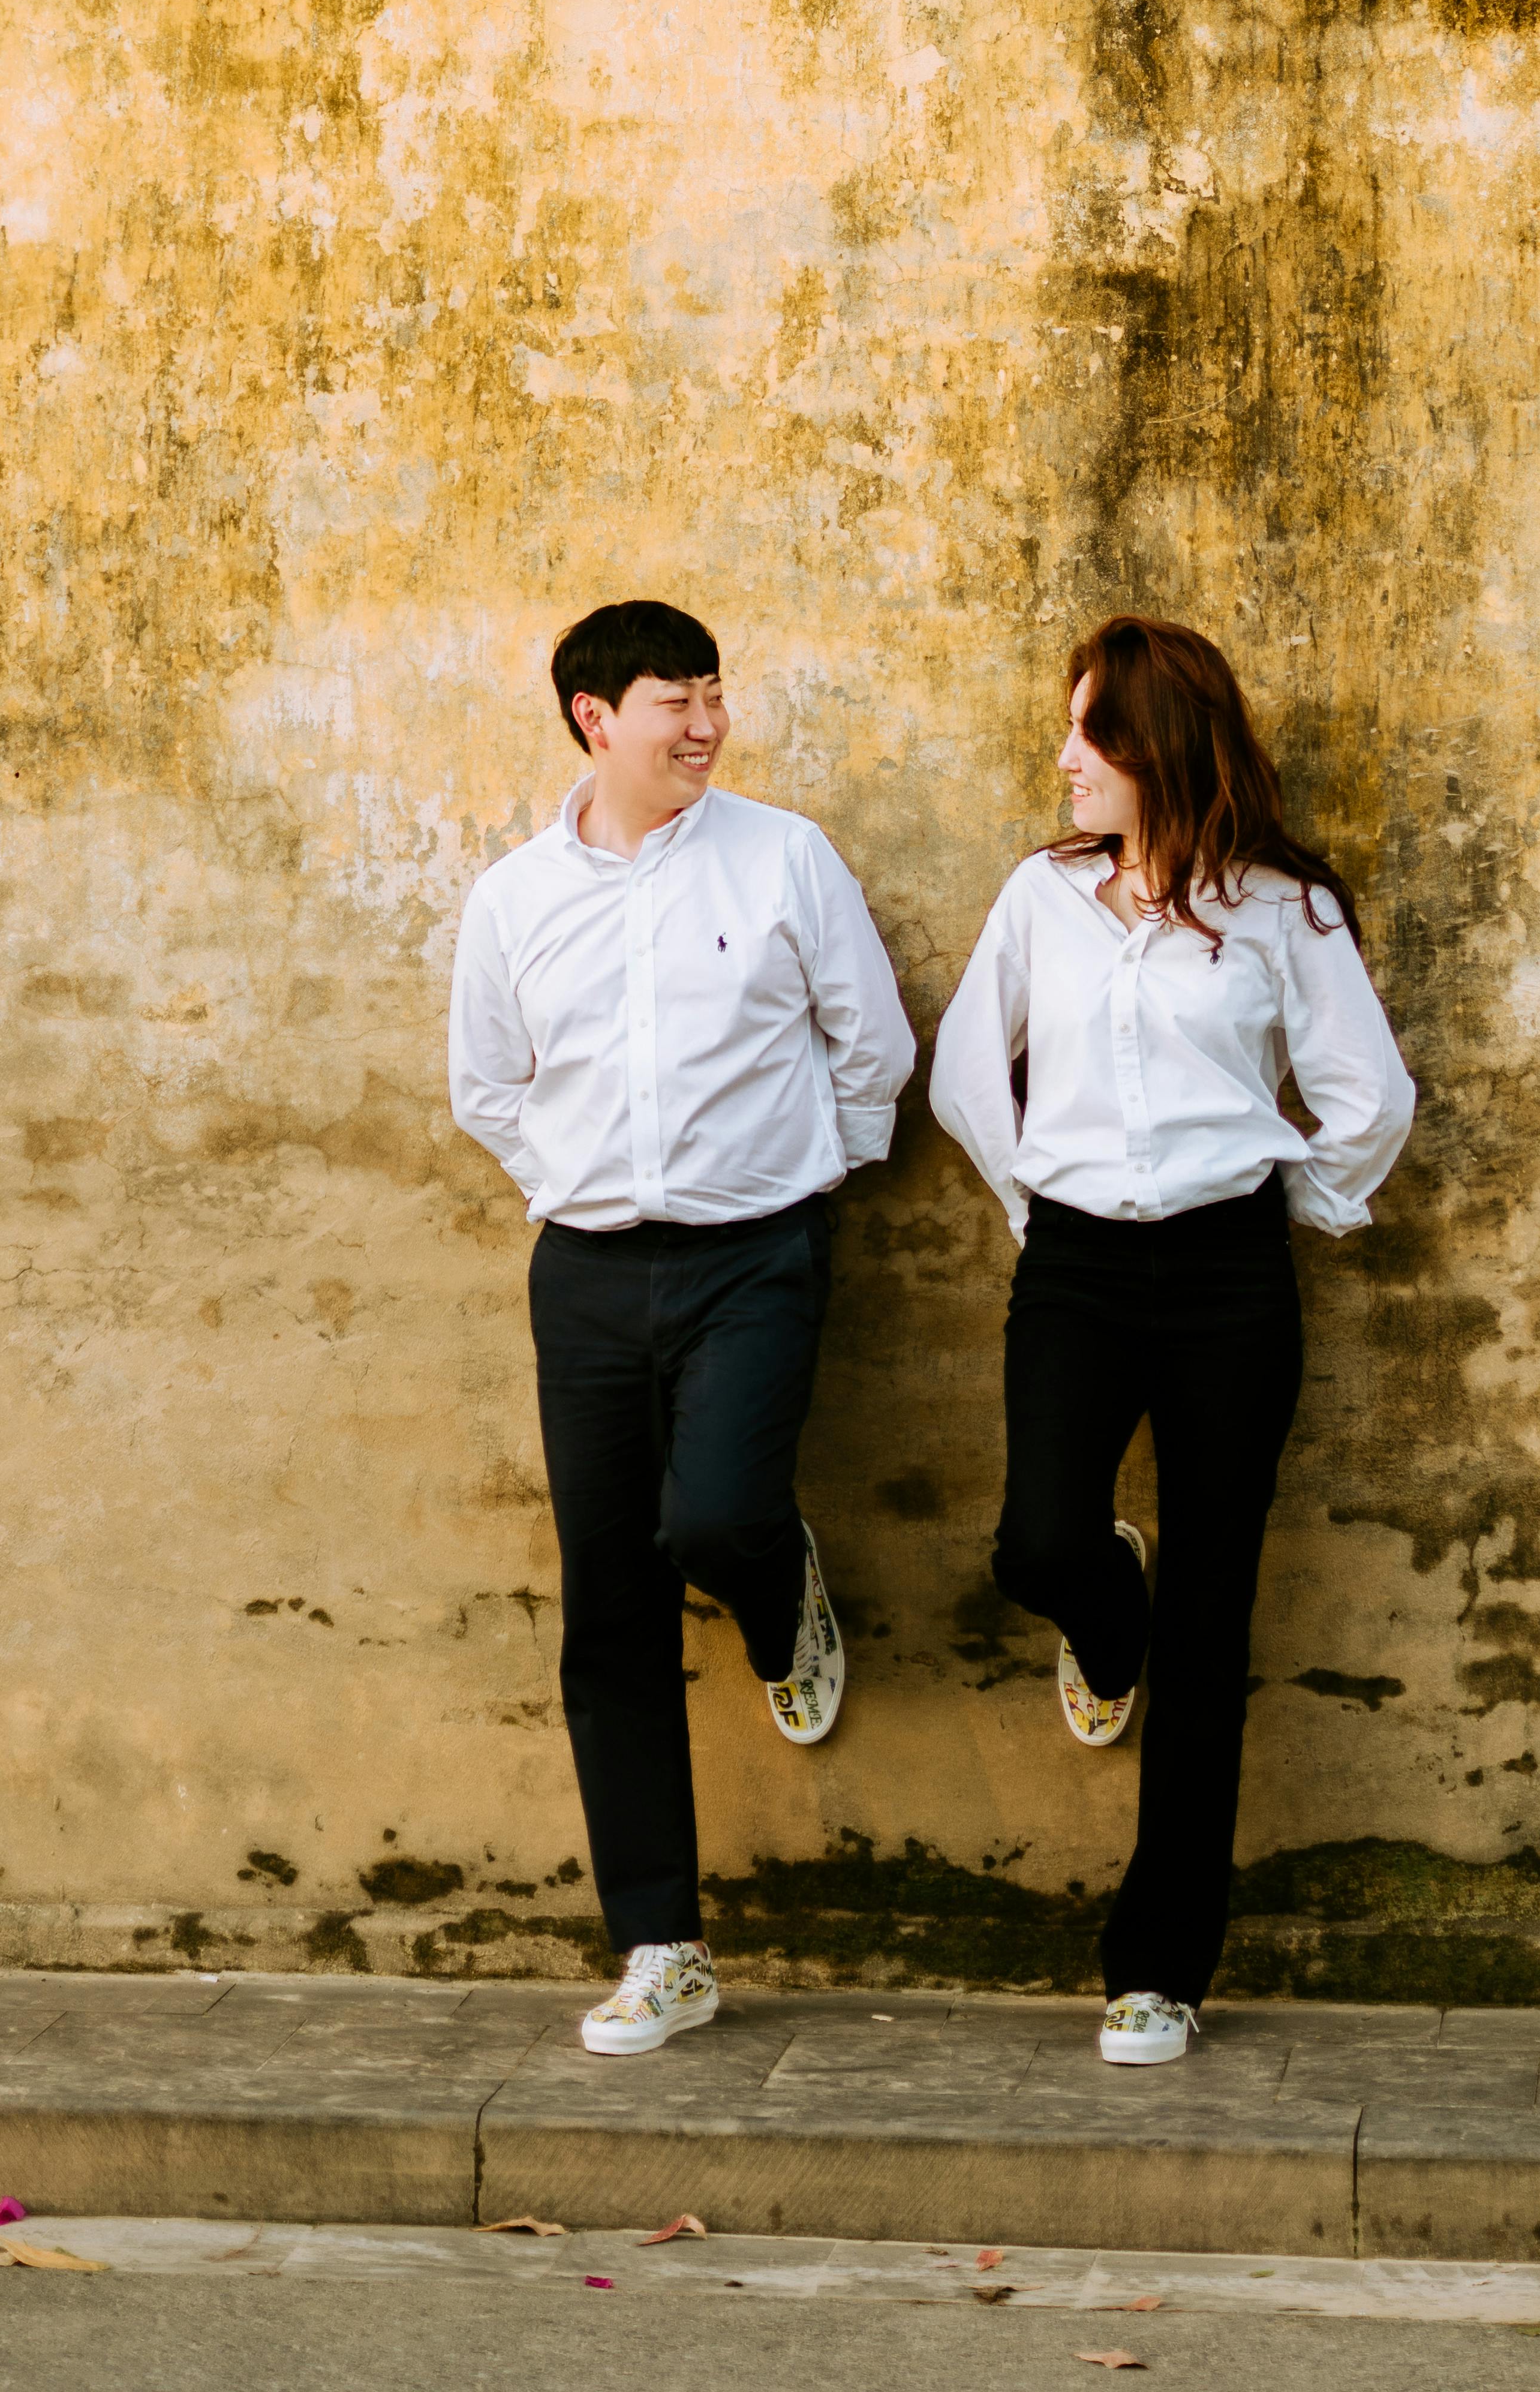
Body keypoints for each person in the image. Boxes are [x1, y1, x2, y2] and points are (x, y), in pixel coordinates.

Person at [928, 615, 1416, 2069]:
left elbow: (1368, 1094)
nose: (1067, 759)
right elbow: (968, 1067)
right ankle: (1102, 1610)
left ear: (1161, 746)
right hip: (1077, 1269)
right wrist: (1040, 1208)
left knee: (1215, 1624)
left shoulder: (1285, 910)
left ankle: (1159, 1967)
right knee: (1036, 1541)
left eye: (1093, 734)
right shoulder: (1042, 895)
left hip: (1226, 1278)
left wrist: (1294, 1204)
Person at [449, 596, 916, 2059]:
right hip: (585, 1277)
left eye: (715, 693)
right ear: (598, 717)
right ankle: (664, 1946)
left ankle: (784, 1602)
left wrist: (803, 1179)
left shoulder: (784, 856)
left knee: (716, 1519)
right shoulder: (515, 897)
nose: (707, 721)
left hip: (757, 1257)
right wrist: (579, 1188)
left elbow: (873, 1043)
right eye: (677, 698)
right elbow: (489, 1087)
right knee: (610, 1611)